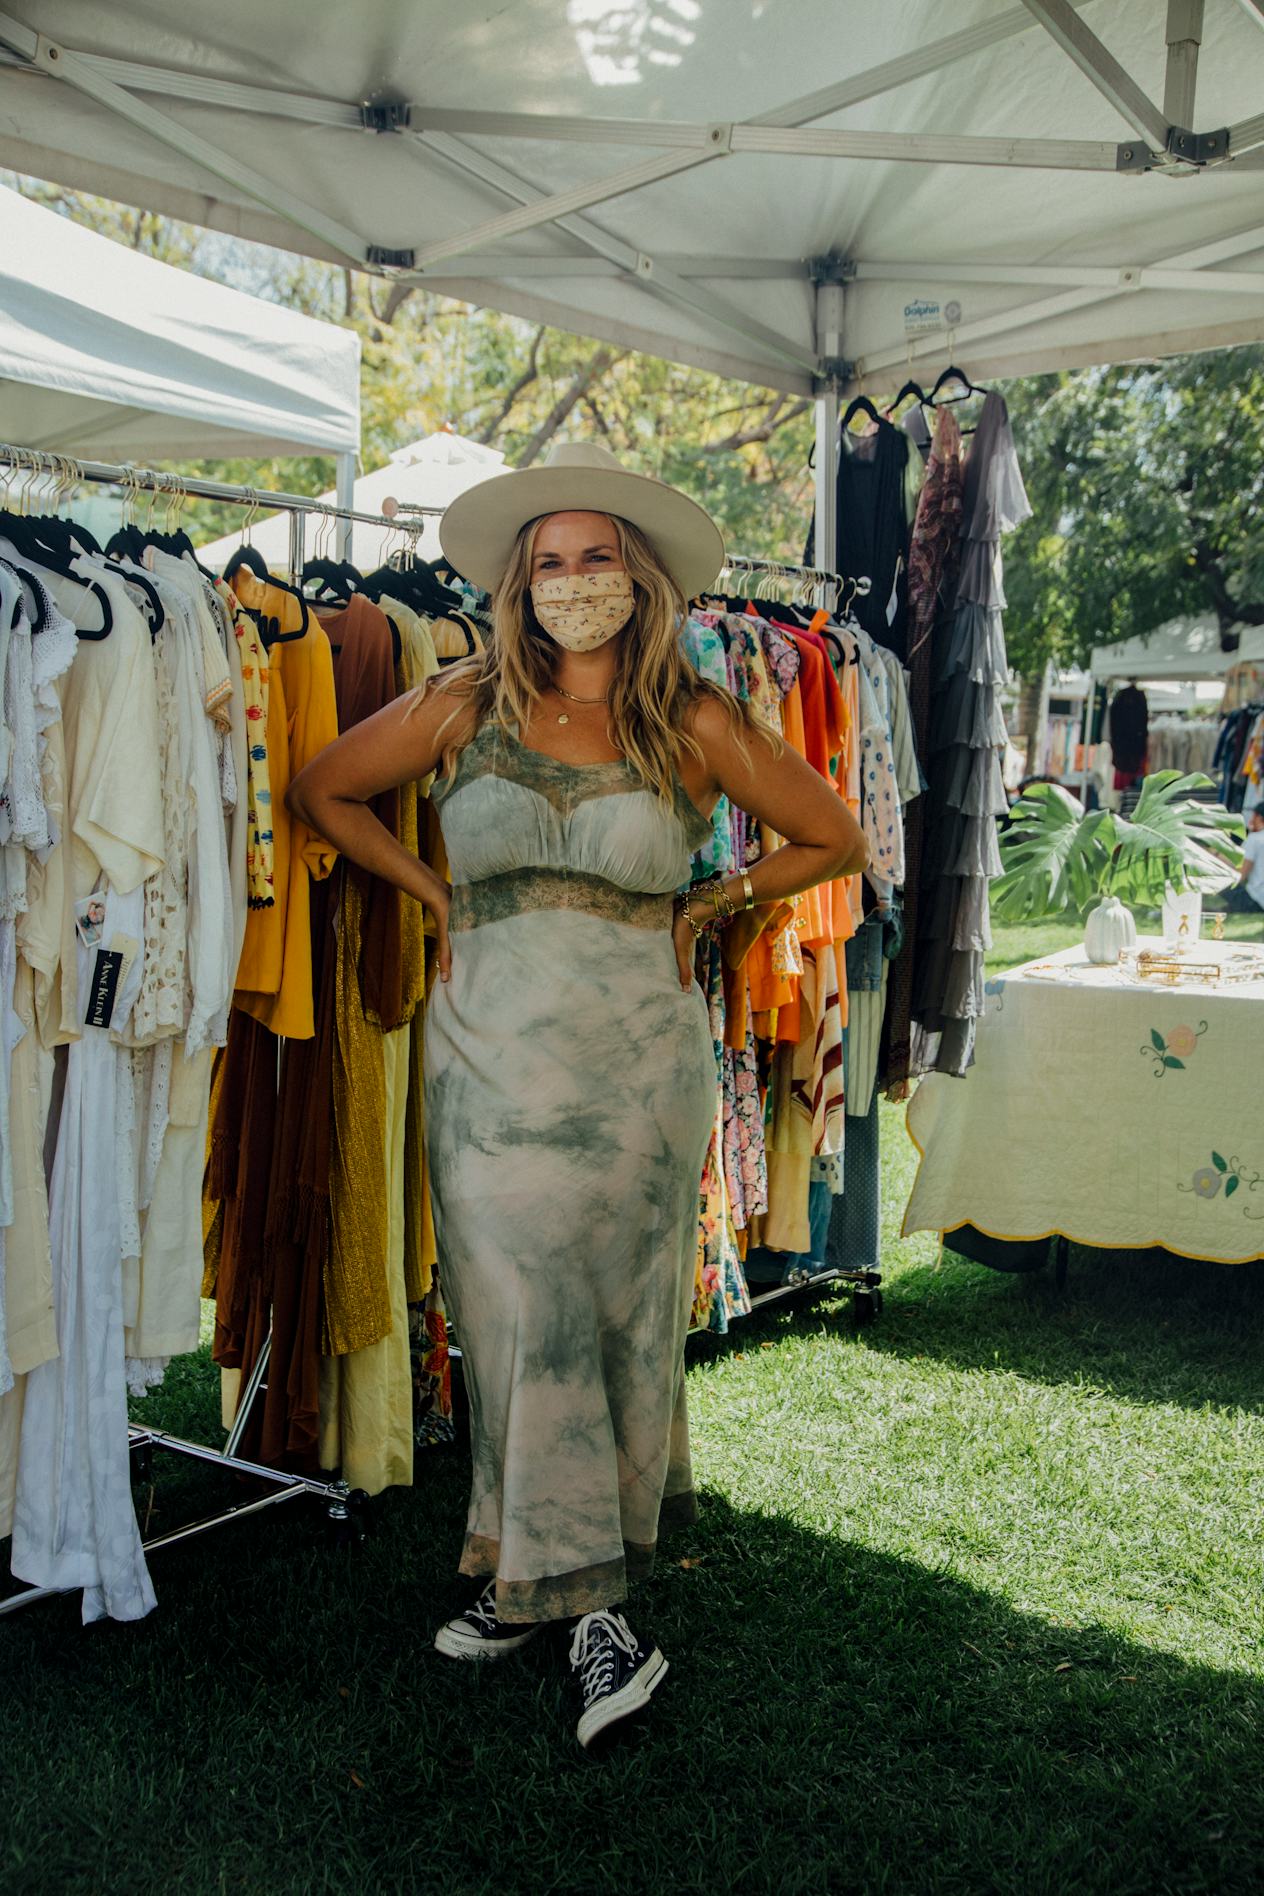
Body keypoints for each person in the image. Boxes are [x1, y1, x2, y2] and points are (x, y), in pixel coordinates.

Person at [288, 443, 867, 1750]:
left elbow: (832, 834)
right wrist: (438, 895)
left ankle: (592, 1613)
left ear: (637, 575)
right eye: (548, 562)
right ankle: (522, 1567)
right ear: (518, 584)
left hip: (632, 1081)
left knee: (607, 1329)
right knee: (510, 1325)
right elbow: (324, 788)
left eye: (594, 556)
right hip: (484, 1067)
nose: (571, 581)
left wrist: (719, 900)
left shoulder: (698, 718)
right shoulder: (462, 701)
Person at [1225, 806, 1264, 913]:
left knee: (1222, 879)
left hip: (1257, 900)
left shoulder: (1255, 839)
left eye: (1253, 817)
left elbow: (1241, 875)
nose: (1250, 820)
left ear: (1259, 818)